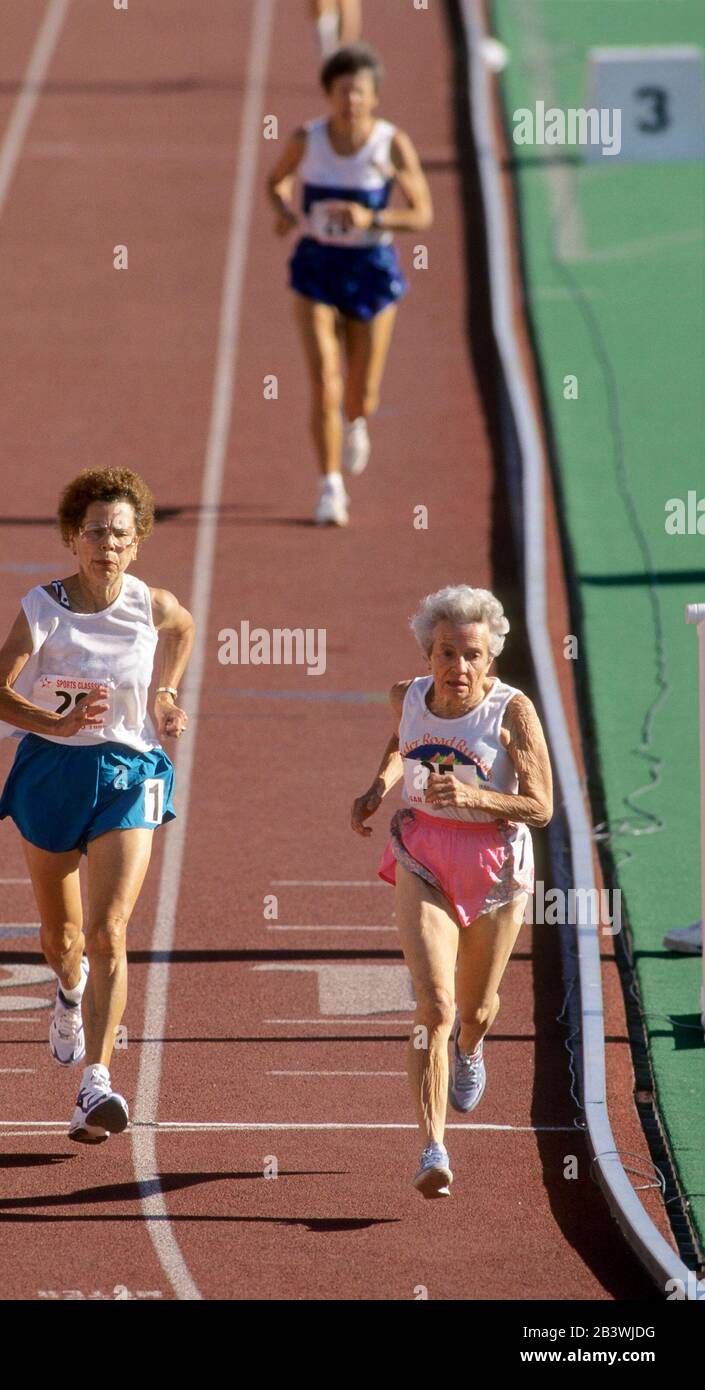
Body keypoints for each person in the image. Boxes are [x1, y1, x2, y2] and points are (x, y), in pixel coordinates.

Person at [0, 468, 194, 1144]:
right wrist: (54, 723)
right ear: (73, 538)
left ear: (137, 544)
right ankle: (66, 991)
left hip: (129, 774)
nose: (108, 543)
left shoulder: (149, 604)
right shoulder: (43, 607)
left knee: (109, 933)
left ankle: (96, 1081)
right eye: (96, 531)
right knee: (63, 940)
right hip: (51, 772)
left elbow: (183, 631)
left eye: (121, 534)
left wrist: (164, 694)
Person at [350, 586, 553, 1197]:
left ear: (490, 659)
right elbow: (402, 741)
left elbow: (540, 806)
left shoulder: (512, 712)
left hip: (495, 865)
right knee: (434, 1006)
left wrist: (476, 797)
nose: (458, 668)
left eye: (471, 655)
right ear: (427, 654)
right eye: (446, 653)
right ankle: (432, 1147)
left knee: (475, 1008)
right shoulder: (406, 697)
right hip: (424, 854)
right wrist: (379, 786)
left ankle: (472, 1045)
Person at [267, 43, 432, 526]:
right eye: (342, 92)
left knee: (361, 394)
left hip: (371, 269)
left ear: (374, 97)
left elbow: (423, 213)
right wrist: (282, 211)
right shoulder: (307, 140)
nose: (351, 102)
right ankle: (330, 488)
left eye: (359, 93)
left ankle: (357, 421)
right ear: (328, 94)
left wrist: (373, 216)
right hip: (317, 267)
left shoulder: (391, 144)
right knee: (323, 382)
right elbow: (274, 181)